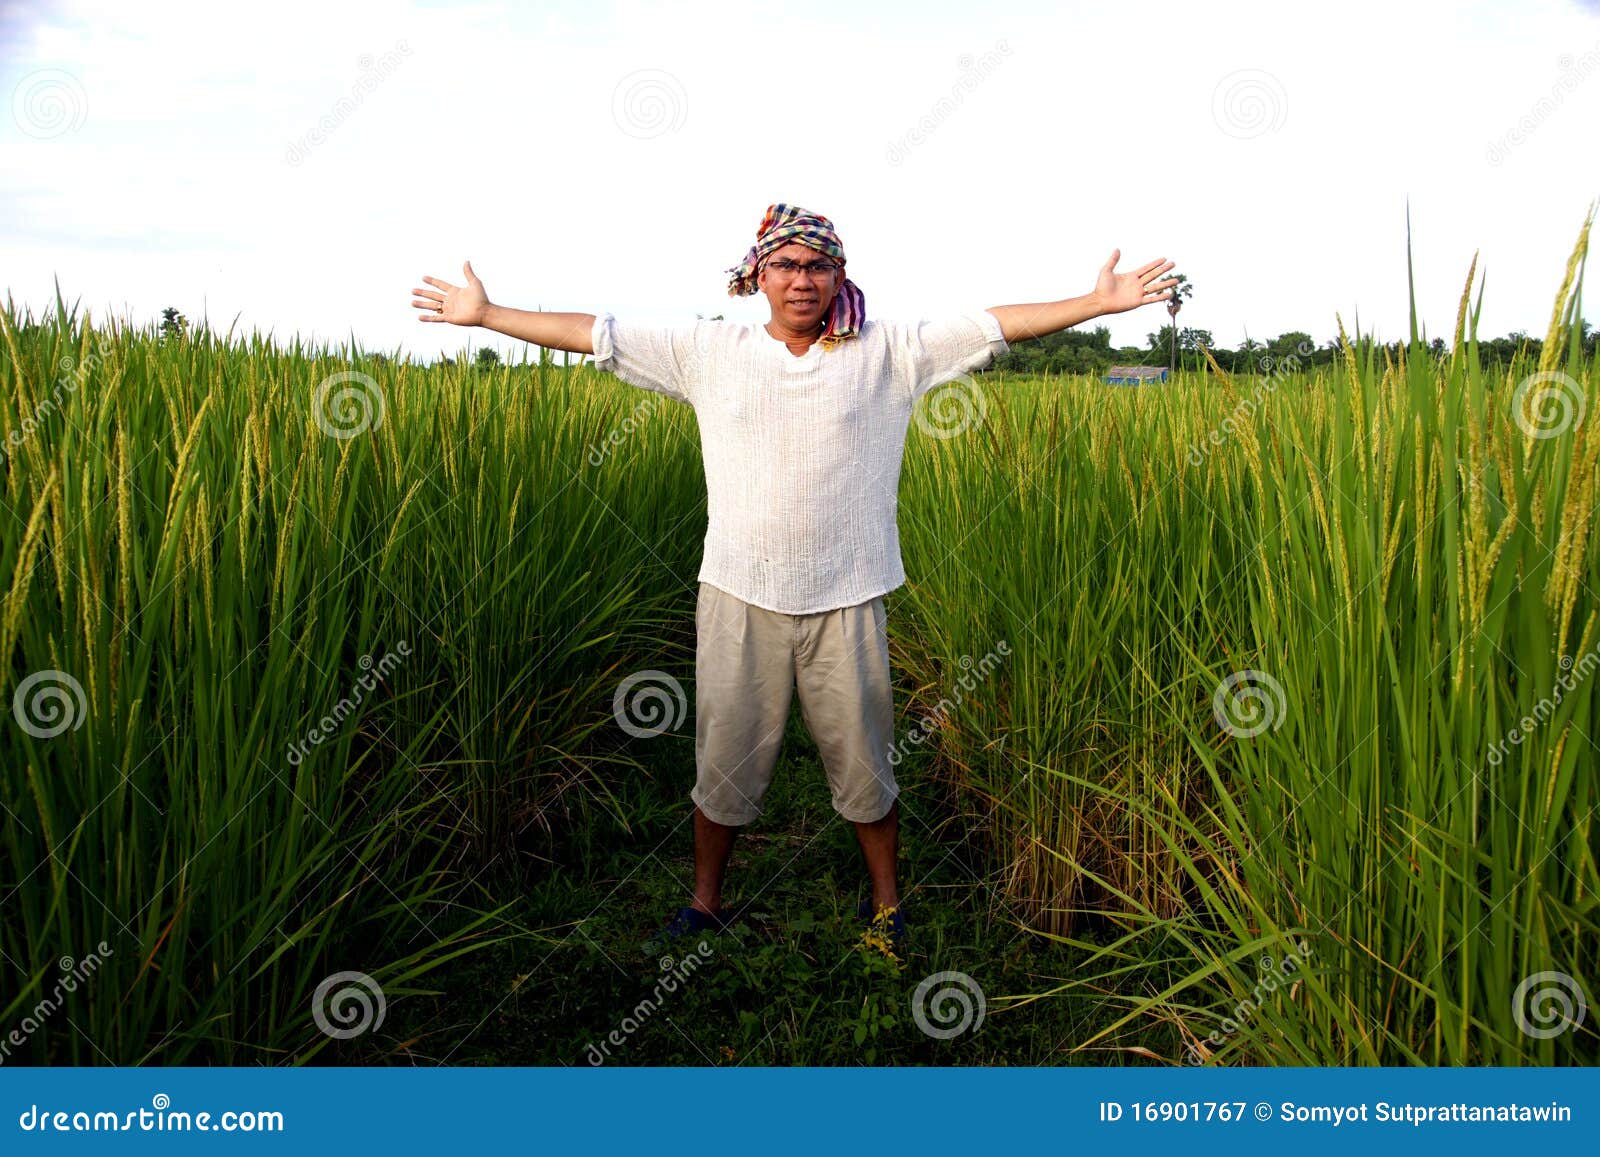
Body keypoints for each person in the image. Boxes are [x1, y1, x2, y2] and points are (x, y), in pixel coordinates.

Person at [410, 203, 1177, 957]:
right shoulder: (709, 352)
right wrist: (487, 315)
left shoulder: (890, 351)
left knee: (867, 764)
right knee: (723, 762)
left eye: (816, 265)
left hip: (848, 598)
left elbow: (993, 324)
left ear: (838, 274)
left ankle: (887, 908)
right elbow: (594, 334)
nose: (801, 279)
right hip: (740, 596)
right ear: (758, 276)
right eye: (785, 265)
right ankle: (705, 903)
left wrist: (1092, 304)